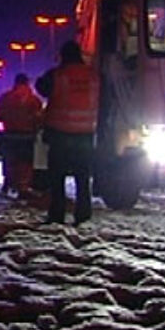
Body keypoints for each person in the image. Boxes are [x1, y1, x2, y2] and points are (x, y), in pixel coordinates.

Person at [36, 41, 99, 225]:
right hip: (85, 134)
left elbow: (41, 88)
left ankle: (57, 214)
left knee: (57, 178)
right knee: (82, 177)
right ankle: (83, 214)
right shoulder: (93, 76)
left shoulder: (57, 75)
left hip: (60, 134)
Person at [0, 73, 43, 197]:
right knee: (25, 162)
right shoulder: (34, 100)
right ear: (27, 83)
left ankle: (8, 183)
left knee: (10, 160)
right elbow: (39, 118)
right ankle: (23, 187)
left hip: (9, 135)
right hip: (27, 136)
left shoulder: (5, 98)